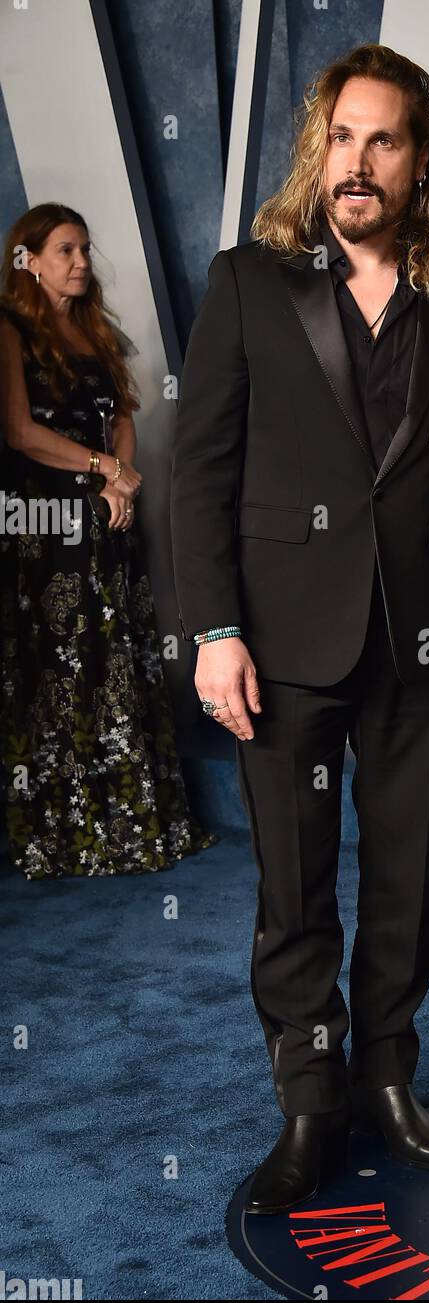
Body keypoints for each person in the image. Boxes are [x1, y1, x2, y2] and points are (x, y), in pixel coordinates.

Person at [170, 44, 429, 1215]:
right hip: (277, 635)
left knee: (406, 871)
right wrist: (215, 627)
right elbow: (198, 474)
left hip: (418, 633)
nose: (357, 163)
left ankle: (389, 1079)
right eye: (342, 137)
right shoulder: (250, 281)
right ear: (321, 149)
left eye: (385, 141)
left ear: (419, 163)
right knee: (293, 880)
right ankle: (309, 1099)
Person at [0, 204, 216, 878]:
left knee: (122, 660)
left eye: (85, 249)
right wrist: (104, 470)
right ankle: (72, 834)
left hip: (106, 520)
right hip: (45, 529)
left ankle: (136, 822)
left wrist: (120, 483)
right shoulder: (9, 330)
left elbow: (121, 415)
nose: (81, 262)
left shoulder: (94, 330)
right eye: (65, 250)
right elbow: (20, 432)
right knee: (65, 674)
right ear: (27, 260)